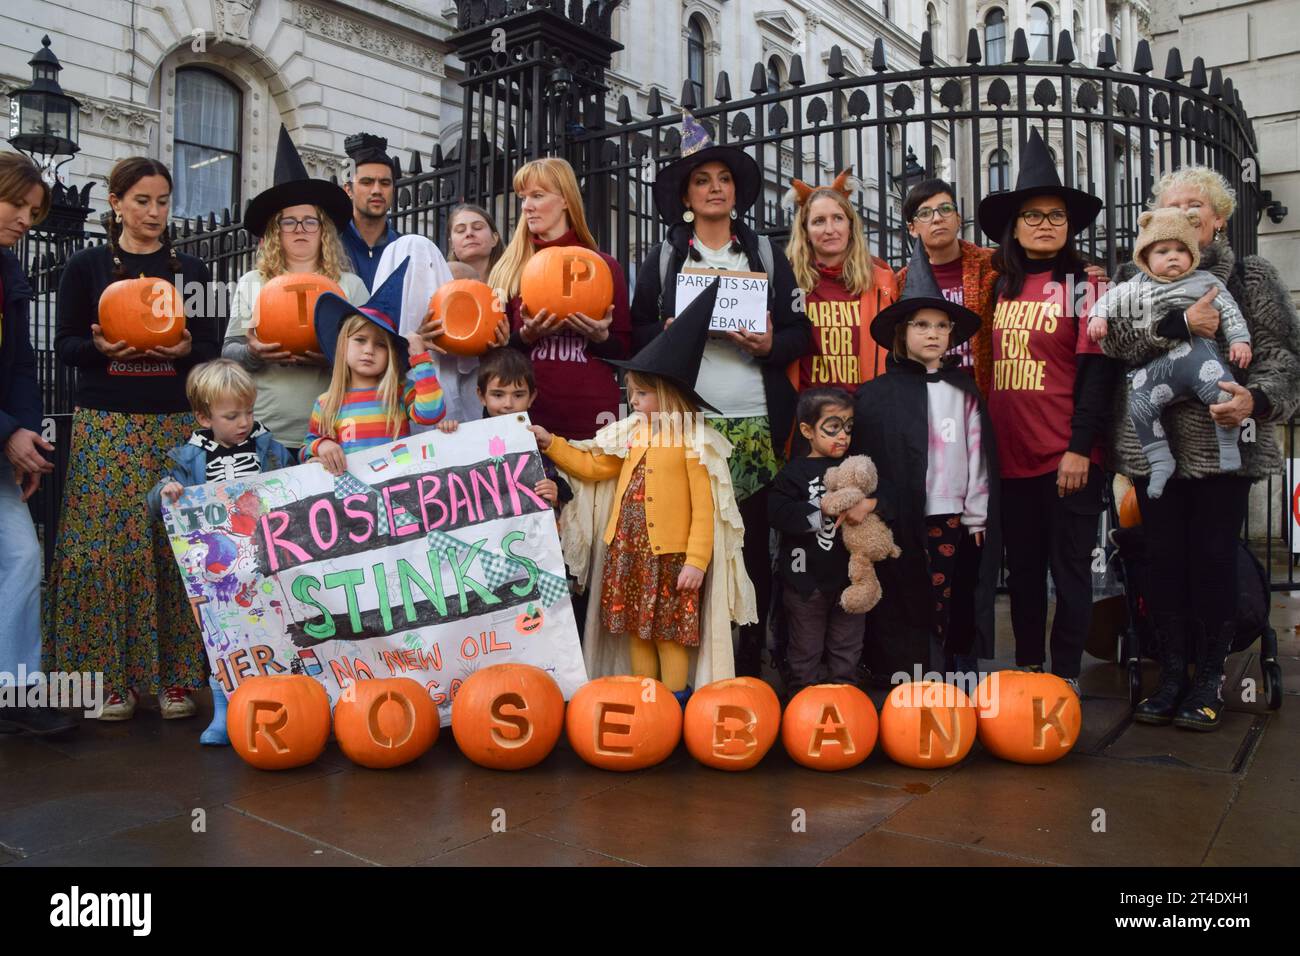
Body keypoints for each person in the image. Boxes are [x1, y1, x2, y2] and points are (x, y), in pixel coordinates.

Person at [1100, 165, 1300, 730]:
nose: (1186, 213)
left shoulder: (1251, 278)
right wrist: (1179, 322)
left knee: (1212, 562)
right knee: (1161, 562)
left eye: (1197, 206)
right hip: (1152, 449)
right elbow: (1113, 343)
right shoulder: (1132, 275)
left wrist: (1255, 400)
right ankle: (1171, 674)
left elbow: (1284, 360)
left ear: (1217, 220)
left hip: (1224, 446)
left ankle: (1209, 677)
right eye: (1175, 204)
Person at [630, 111, 813, 677]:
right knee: (690, 547)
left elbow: (800, 332)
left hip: (753, 421)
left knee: (751, 548)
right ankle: (692, 662)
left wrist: (766, 344)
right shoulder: (664, 258)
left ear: (736, 193)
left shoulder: (762, 254)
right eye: (702, 180)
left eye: (723, 180)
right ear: (686, 194)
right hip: (688, 424)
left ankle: (748, 663)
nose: (714, 188)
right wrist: (664, 335)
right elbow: (633, 331)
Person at [48, 156, 221, 720]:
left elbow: (211, 347)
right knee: (104, 549)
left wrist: (185, 353)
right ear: (117, 203)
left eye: (163, 201)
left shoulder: (193, 271)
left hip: (175, 423)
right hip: (107, 423)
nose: (153, 212)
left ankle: (176, 679)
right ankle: (108, 681)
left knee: (174, 548)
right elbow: (66, 344)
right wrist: (98, 349)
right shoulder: (86, 266)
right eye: (142, 200)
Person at [532, 280, 754, 700]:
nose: (633, 401)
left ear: (669, 395)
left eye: (642, 394)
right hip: (628, 552)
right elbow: (595, 466)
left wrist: (697, 561)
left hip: (670, 560)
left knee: (668, 634)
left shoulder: (694, 442)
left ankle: (675, 703)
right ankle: (644, 699)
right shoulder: (631, 434)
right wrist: (552, 444)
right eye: (631, 393)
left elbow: (706, 510)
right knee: (634, 629)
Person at [976, 128, 1115, 691]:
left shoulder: (1086, 284)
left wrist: (1080, 448)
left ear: (1070, 225)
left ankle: (1065, 675)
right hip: (1009, 459)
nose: (1045, 225)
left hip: (1067, 457)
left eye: (1056, 215)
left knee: (1071, 573)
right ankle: (1030, 668)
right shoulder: (996, 285)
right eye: (1032, 215)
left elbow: (1098, 373)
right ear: (1014, 225)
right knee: (1025, 573)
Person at [850, 245, 1001, 683]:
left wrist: (977, 516)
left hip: (953, 515)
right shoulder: (876, 395)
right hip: (900, 516)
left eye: (941, 325)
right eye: (921, 325)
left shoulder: (964, 391)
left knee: (953, 594)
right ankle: (903, 672)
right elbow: (869, 460)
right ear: (902, 332)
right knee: (905, 594)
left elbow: (977, 455)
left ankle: (956, 671)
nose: (933, 334)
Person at [146, 359, 293, 745]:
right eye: (232, 415)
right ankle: (225, 708)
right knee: (222, 637)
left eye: (248, 411)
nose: (244, 422)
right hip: (218, 569)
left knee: (275, 628)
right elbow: (155, 505)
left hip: (264, 556)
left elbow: (292, 477)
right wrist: (167, 491)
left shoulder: (267, 445)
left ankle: (282, 701)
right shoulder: (189, 458)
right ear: (203, 416)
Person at [223, 126, 367, 455]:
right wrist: (253, 353)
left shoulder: (350, 286)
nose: (300, 229)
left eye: (310, 221)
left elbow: (374, 354)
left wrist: (332, 357)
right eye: (289, 222)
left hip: (333, 431)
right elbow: (228, 353)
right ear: (276, 232)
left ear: (324, 230)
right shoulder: (253, 283)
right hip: (264, 428)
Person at [1089, 207, 1249, 498]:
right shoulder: (1136, 285)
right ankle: (1160, 460)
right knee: (1139, 404)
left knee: (1226, 393)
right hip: (1158, 370)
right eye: (1162, 251)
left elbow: (1230, 312)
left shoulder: (1206, 281)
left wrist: (1240, 341)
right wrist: (1097, 318)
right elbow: (1108, 302)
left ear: (1192, 254)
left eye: (1180, 249)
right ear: (1145, 258)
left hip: (1200, 360)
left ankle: (1228, 446)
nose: (1172, 256)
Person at [0, 153, 75, 736]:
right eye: (16, 204)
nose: (27, 219)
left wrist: (22, 433)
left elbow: (24, 365)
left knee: (24, 557)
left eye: (32, 210)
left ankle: (13, 693)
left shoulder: (10, 273)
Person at [489, 157, 631, 441]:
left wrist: (600, 337)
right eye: (523, 198)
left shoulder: (604, 266)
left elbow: (627, 352)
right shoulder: (507, 270)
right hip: (527, 420)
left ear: (566, 200)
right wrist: (526, 337)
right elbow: (492, 354)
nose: (526, 206)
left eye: (537, 196)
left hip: (594, 417)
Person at [303, 258, 445, 470]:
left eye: (380, 345)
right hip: (352, 497)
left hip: (396, 490)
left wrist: (420, 360)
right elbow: (306, 447)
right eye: (360, 340)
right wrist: (321, 447)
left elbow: (431, 413)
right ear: (343, 345)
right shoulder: (326, 403)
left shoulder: (398, 393)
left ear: (390, 355)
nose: (369, 350)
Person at [768, 387, 864, 697]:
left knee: (846, 647)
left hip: (850, 580)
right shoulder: (793, 473)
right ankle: (803, 700)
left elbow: (883, 495)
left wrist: (869, 505)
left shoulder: (856, 470)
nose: (843, 436)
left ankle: (845, 697)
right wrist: (819, 508)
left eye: (848, 428)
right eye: (833, 427)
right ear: (808, 430)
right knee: (805, 647)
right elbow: (779, 513)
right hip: (805, 581)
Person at [783, 168, 897, 391]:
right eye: (818, 221)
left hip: (866, 414)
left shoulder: (883, 282)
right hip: (808, 415)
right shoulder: (788, 282)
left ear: (850, 225)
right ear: (805, 230)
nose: (830, 229)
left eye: (837, 218)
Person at [435, 347, 571, 511]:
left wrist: (554, 492)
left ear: (531, 397)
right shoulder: (468, 437)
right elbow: (449, 481)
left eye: (518, 395)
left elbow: (560, 491)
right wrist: (447, 435)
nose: (508, 404)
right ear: (481, 396)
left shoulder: (536, 439)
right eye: (498, 395)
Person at [899, 177, 1000, 391]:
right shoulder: (902, 282)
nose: (937, 219)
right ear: (912, 228)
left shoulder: (992, 265)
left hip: (982, 394)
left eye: (945, 209)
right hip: (928, 396)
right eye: (925, 213)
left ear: (958, 218)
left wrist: (1084, 274)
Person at [341, 134, 400, 289]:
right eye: (366, 182)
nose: (377, 190)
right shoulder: (330, 245)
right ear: (348, 189)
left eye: (385, 183)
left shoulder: (403, 248)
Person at [446, 203, 504, 281]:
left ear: (494, 238)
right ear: (451, 244)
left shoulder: (515, 280)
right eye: (461, 230)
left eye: (478, 228)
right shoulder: (440, 282)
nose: (469, 233)